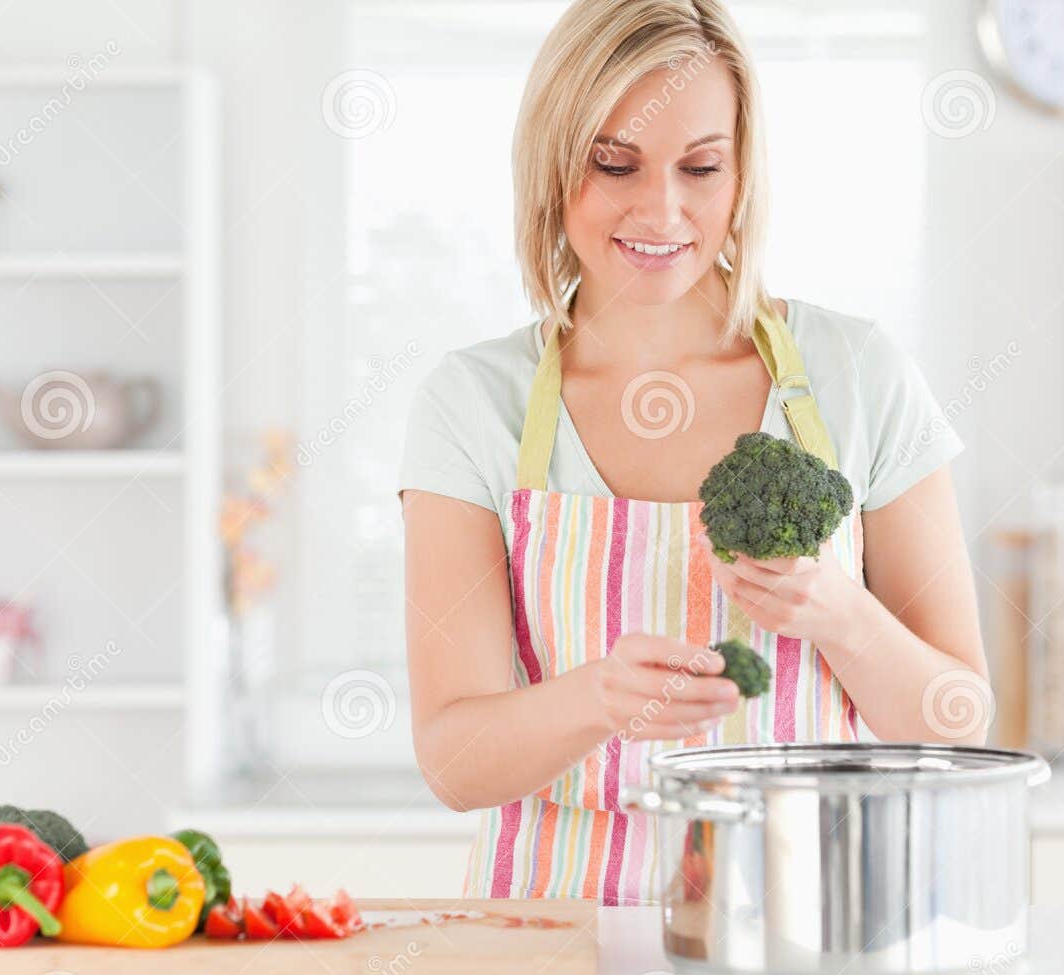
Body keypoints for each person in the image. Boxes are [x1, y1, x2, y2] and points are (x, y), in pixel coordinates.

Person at [396, 0, 988, 904]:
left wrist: (839, 613)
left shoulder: (857, 375)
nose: (662, 210)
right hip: (561, 948)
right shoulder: (474, 403)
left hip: (811, 937)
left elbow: (960, 720)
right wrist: (598, 696)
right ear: (553, 166)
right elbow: (453, 763)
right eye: (614, 163)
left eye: (701, 166)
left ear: (742, 173)